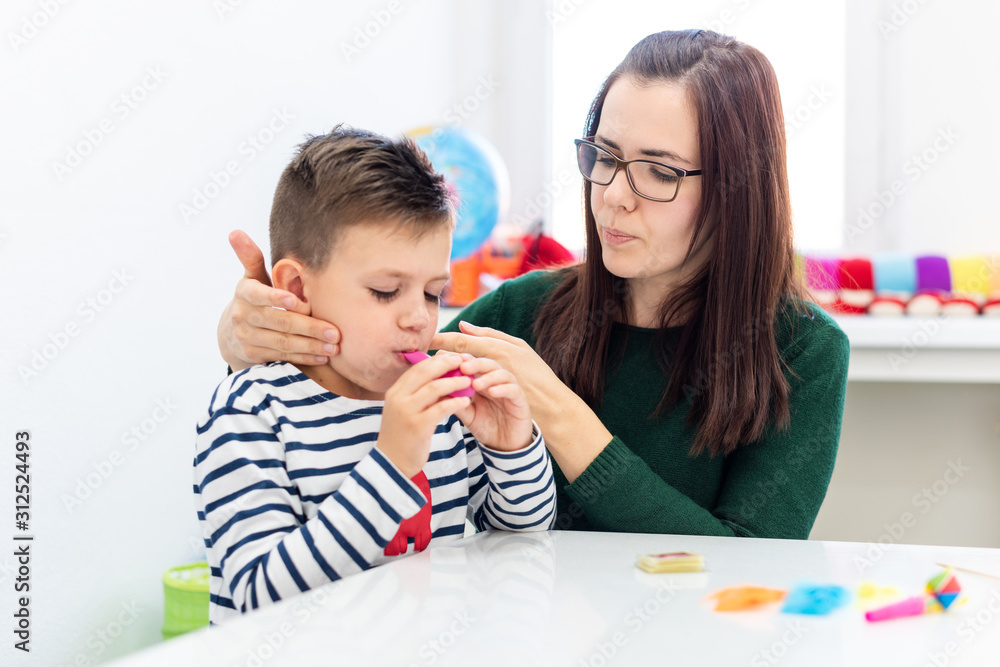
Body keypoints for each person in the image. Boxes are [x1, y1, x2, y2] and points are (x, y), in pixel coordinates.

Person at [216, 30, 850, 541]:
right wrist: (248, 340)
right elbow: (368, 360)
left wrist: (556, 411)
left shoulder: (806, 353)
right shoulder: (522, 311)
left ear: (739, 190)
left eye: (658, 171)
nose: (613, 197)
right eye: (604, 156)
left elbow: (749, 569)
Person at [195, 126, 556, 624]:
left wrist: (511, 448)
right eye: (387, 291)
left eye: (432, 293)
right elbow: (261, 597)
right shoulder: (250, 412)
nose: (418, 318)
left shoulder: (444, 412)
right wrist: (393, 462)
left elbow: (523, 543)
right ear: (298, 287)